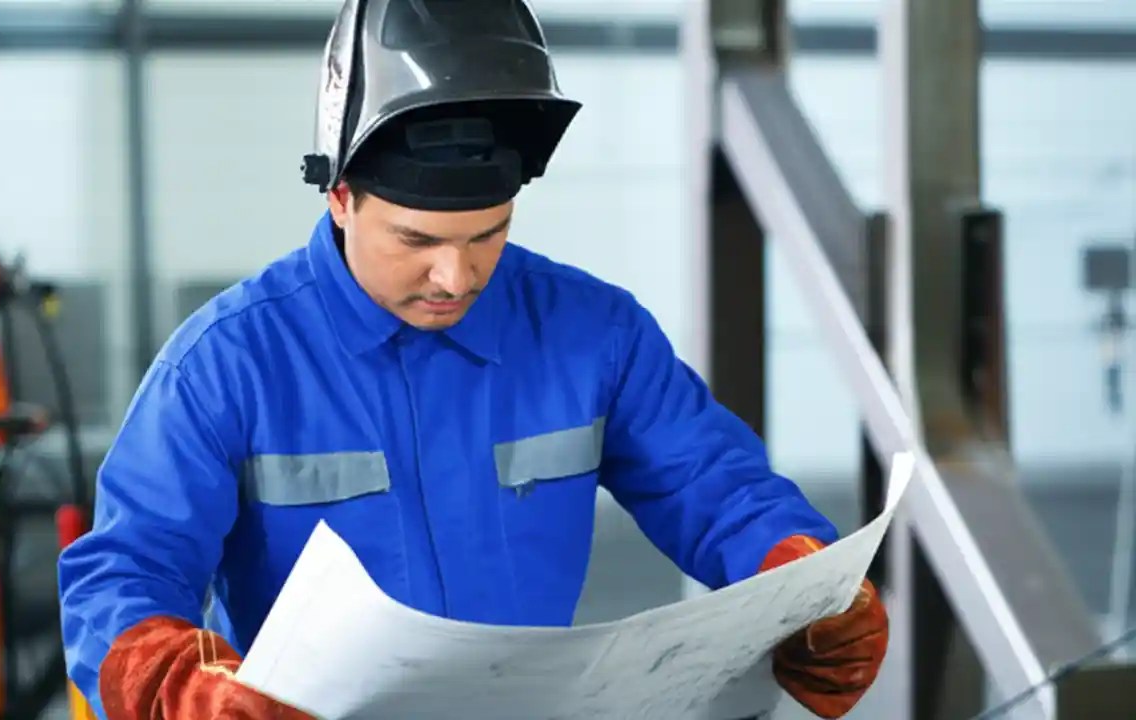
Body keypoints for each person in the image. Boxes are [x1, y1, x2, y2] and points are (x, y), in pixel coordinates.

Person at [57, 1, 889, 718]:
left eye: (488, 235)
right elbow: (125, 575)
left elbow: (714, 488)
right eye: (417, 241)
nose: (455, 277)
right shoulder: (227, 365)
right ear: (339, 197)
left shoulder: (592, 332)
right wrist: (176, 684)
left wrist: (804, 583)